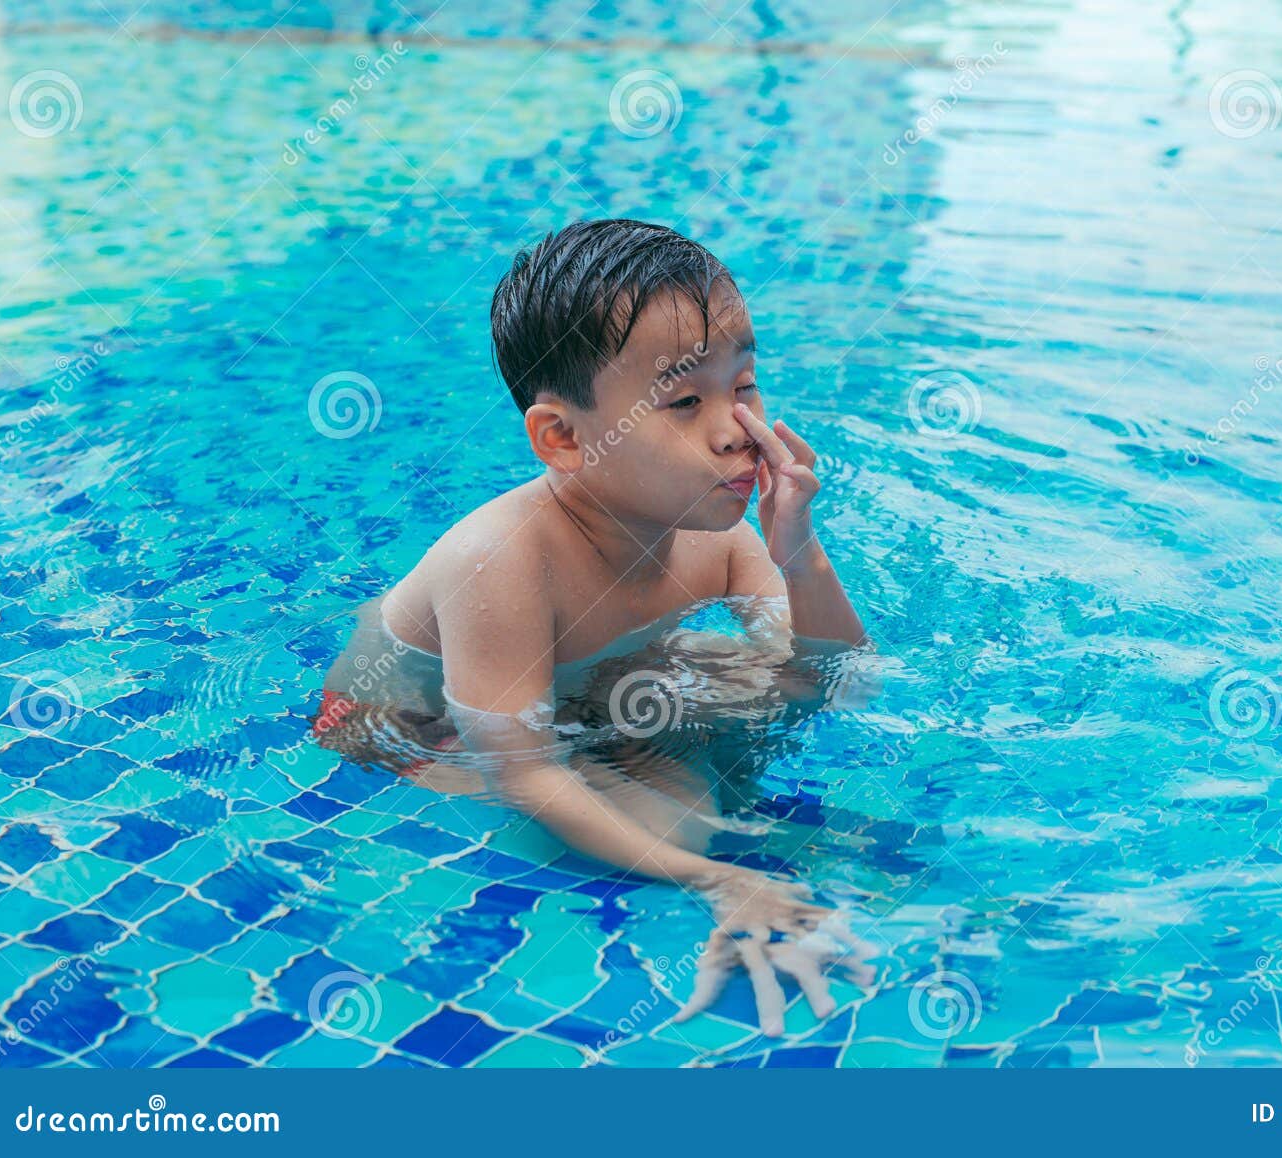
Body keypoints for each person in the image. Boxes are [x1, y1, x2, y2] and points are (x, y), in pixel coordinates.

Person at [311, 218, 875, 1037]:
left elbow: (836, 683)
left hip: (581, 695)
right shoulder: (502, 561)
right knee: (689, 821)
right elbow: (527, 772)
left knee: (765, 694)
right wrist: (711, 879)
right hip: (405, 728)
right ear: (563, 438)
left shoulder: (719, 542)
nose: (732, 429)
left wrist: (801, 553)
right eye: (685, 401)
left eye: (744, 385)